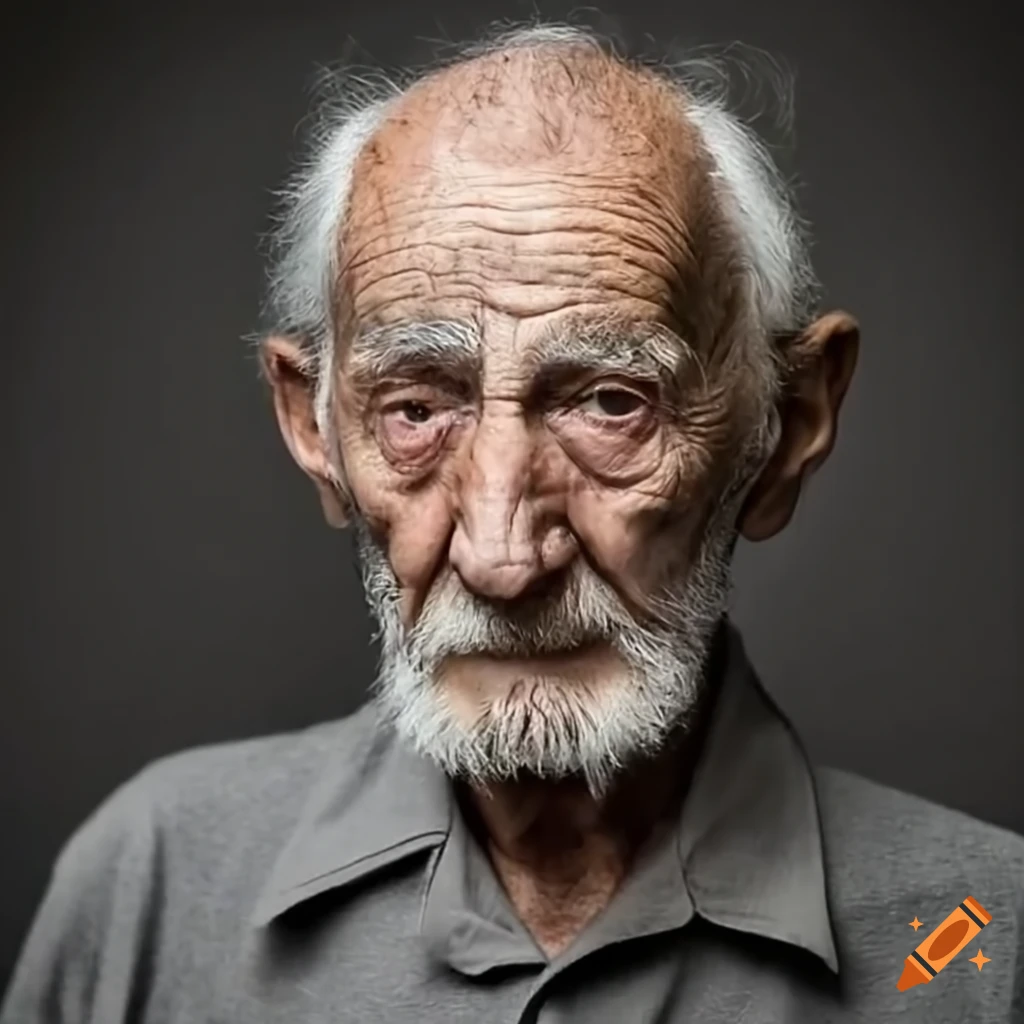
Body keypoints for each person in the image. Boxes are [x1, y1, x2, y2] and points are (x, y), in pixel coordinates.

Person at [3, 22, 1022, 1024]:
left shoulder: (983, 942)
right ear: (314, 430)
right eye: (414, 410)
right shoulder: (152, 882)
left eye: (612, 404)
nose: (502, 557)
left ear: (785, 427)